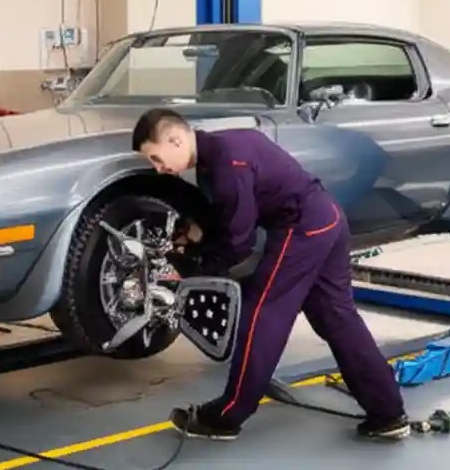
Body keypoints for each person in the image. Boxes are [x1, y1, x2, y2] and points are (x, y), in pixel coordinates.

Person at [131, 108, 410, 442]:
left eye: (157, 158)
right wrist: (197, 233)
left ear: (176, 139)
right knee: (337, 317)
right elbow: (230, 212)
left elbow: (239, 241)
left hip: (302, 228)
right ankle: (388, 413)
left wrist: (193, 267)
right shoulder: (221, 149)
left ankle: (227, 415)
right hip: (329, 219)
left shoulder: (225, 165)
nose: (158, 169)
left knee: (263, 313)